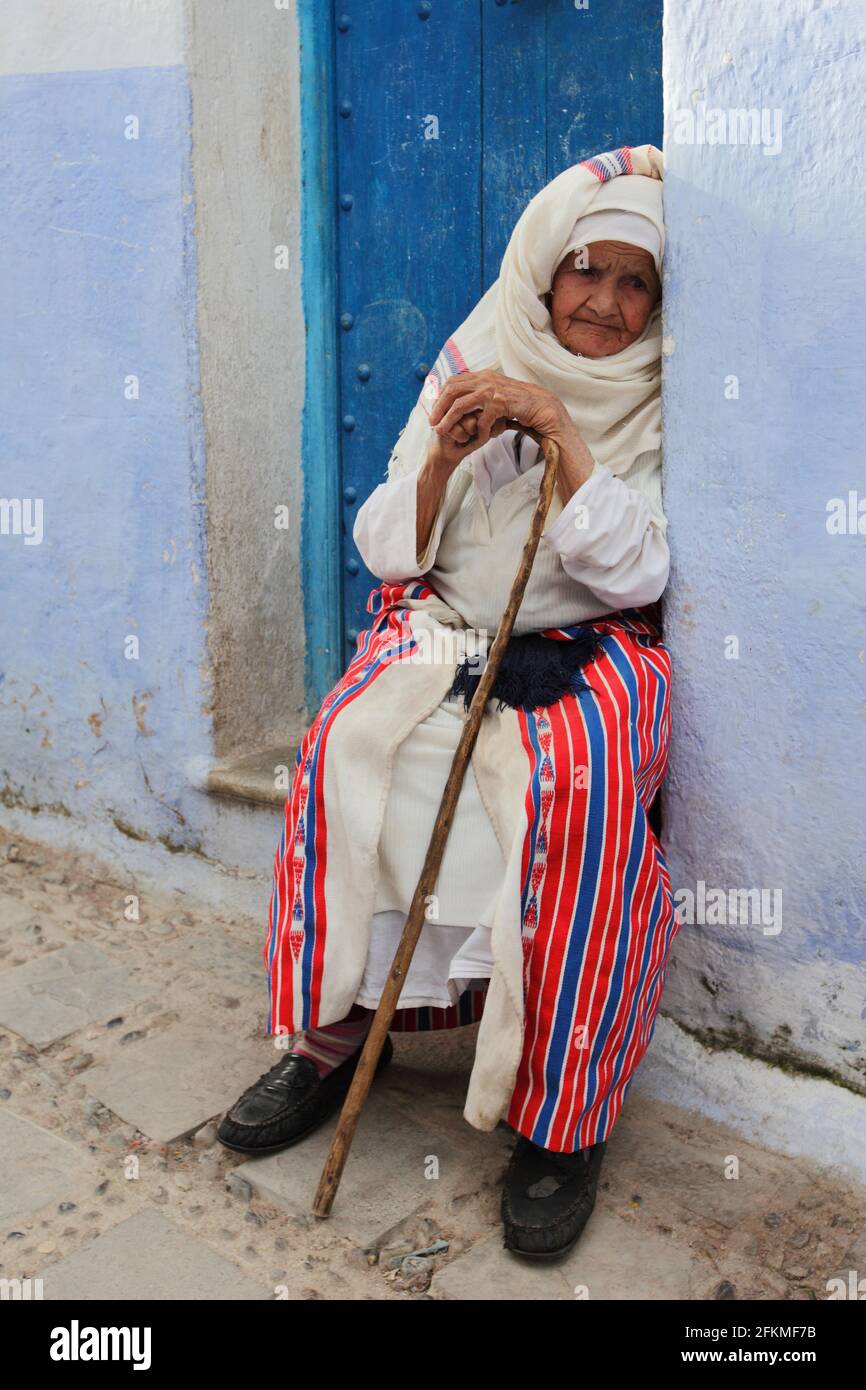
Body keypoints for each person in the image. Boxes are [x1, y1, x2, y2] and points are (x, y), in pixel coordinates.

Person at [218, 144, 680, 1261]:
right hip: (443, 623)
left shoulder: (666, 391)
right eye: (585, 271)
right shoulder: (472, 355)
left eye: (634, 283)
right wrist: (436, 462)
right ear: (541, 270)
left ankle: (560, 1120)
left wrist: (561, 437)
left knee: (574, 785)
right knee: (342, 746)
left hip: (590, 640)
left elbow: (639, 574)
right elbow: (386, 548)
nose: (605, 304)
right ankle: (329, 1035)